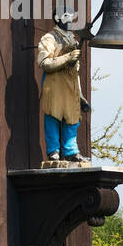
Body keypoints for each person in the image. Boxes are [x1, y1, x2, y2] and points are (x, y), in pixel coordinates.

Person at [36, 10, 91, 165]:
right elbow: (44, 63)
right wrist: (67, 57)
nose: (71, 20)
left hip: (71, 84)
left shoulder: (72, 38)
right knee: (53, 115)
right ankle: (53, 151)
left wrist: (81, 96)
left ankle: (71, 151)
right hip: (55, 84)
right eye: (67, 17)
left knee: (72, 118)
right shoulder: (49, 38)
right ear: (58, 18)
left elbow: (76, 71)